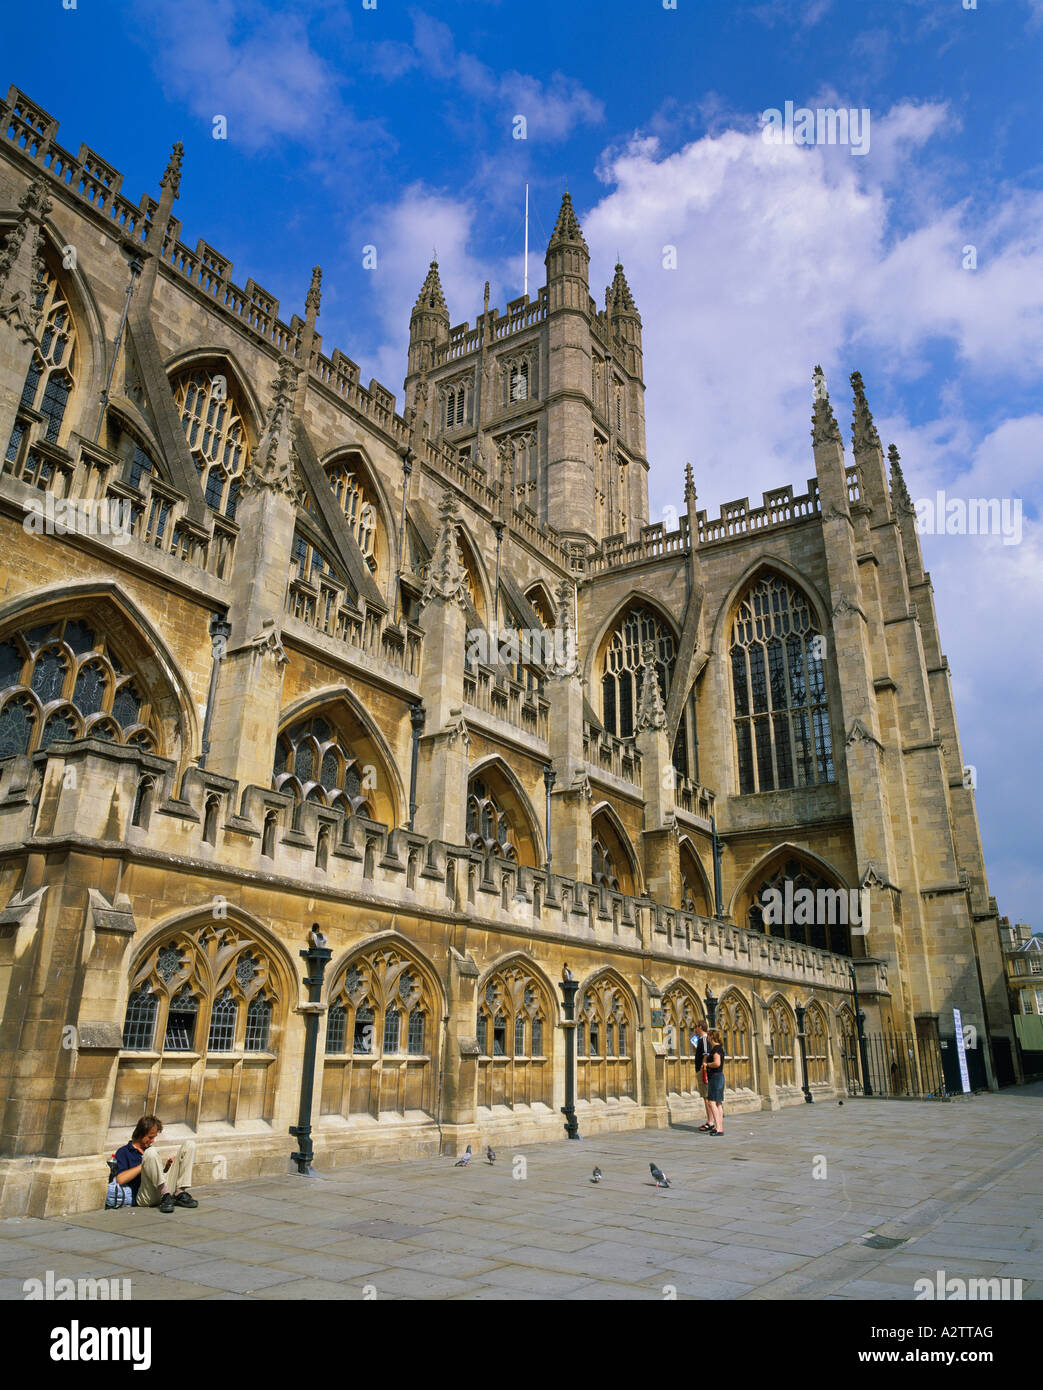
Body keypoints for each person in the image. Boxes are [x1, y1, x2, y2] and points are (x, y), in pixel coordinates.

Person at [112, 1115, 198, 1212]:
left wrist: (166, 1169)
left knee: (190, 1145)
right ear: (140, 1134)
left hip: (162, 1190)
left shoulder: (148, 1149)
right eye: (150, 1137)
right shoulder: (124, 1151)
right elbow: (120, 1179)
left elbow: (154, 1176)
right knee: (151, 1152)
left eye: (154, 1137)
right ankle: (165, 1195)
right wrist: (143, 1166)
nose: (153, 1141)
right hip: (145, 1195)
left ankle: (179, 1193)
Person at [691, 1021, 715, 1131]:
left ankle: (710, 1122)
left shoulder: (705, 1039)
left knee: (707, 1097)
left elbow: (706, 1053)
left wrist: (703, 1066)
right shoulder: (701, 1039)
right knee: (706, 1097)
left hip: (703, 1070)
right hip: (701, 1070)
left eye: (696, 1027)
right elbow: (697, 1052)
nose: (695, 1029)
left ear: (700, 1027)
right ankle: (710, 1120)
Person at [704, 1028, 726, 1135]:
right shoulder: (719, 1048)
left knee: (712, 1102)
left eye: (708, 1036)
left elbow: (717, 1063)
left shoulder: (716, 1049)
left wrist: (707, 1064)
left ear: (711, 1036)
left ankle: (718, 1128)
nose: (707, 1038)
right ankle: (719, 1127)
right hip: (719, 1077)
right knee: (718, 1103)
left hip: (715, 1077)